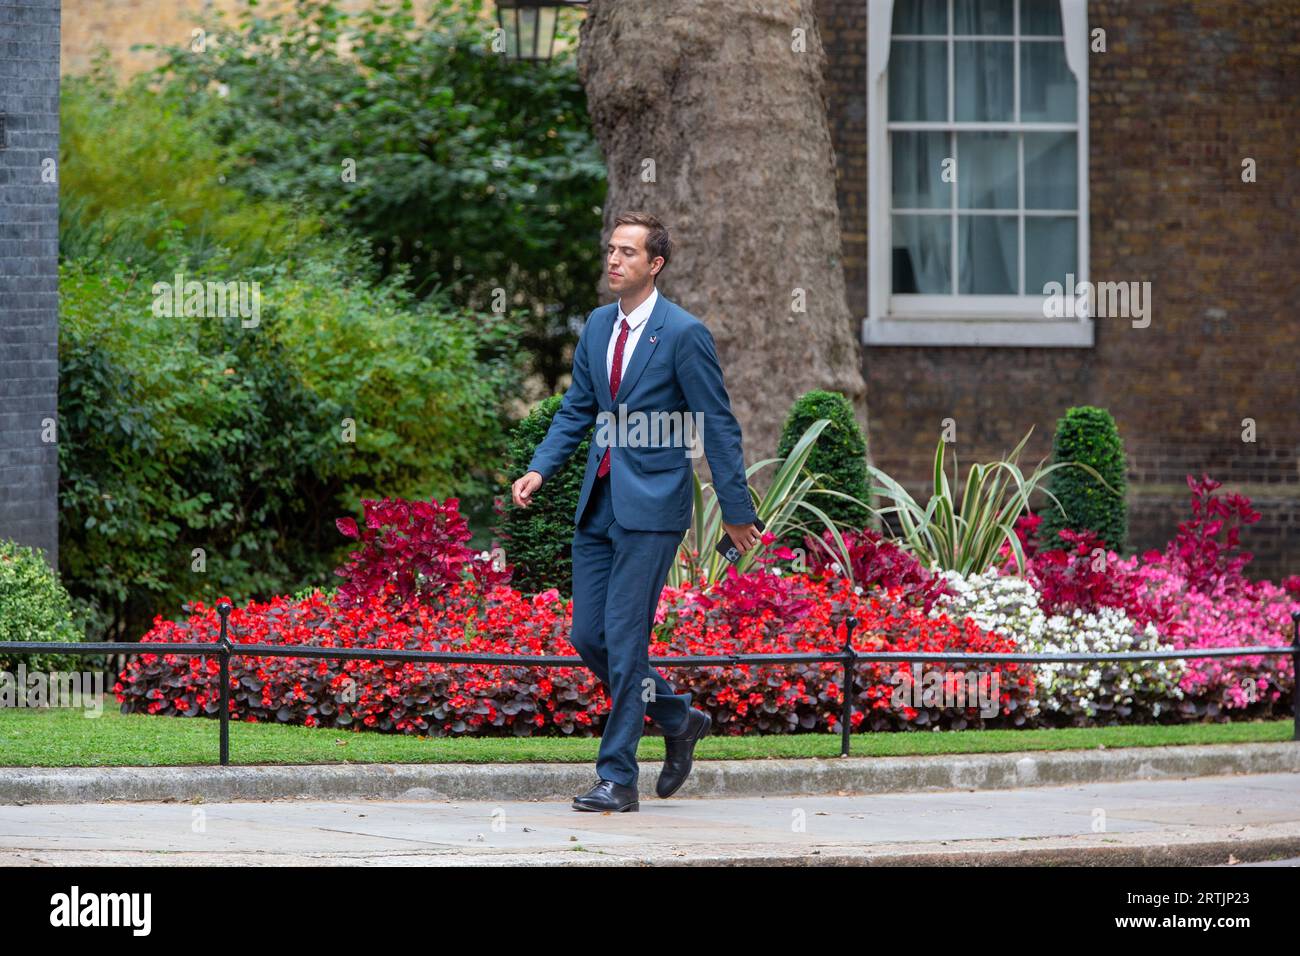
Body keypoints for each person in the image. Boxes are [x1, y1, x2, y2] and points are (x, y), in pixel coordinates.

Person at [511, 211, 762, 812]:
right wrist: (541, 467)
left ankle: (617, 778)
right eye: (610, 250)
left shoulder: (683, 334)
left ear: (656, 264)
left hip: (653, 509)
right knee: (587, 636)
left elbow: (718, 425)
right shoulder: (598, 326)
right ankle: (678, 717)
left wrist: (735, 508)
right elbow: (578, 408)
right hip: (597, 503)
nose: (613, 260)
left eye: (628, 252)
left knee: (625, 643)